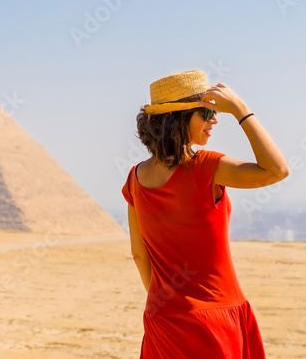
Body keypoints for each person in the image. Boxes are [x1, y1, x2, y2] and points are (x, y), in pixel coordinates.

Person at [122, 70, 290, 358]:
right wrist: (241, 110)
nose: (215, 121)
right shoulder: (207, 168)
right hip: (215, 320)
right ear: (178, 119)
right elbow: (277, 170)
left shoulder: (134, 179)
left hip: (163, 321)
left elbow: (139, 255)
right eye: (207, 113)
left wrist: (170, 303)